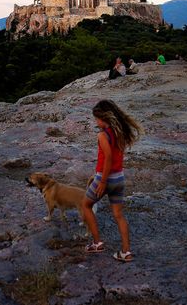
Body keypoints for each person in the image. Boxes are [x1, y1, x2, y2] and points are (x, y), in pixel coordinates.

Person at [80, 99, 143, 262]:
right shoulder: (120, 133)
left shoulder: (102, 135)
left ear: (104, 119)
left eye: (96, 119)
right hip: (119, 178)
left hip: (105, 178)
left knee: (86, 205)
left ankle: (97, 243)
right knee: (118, 214)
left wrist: (101, 181)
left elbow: (107, 158)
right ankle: (126, 252)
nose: (96, 122)